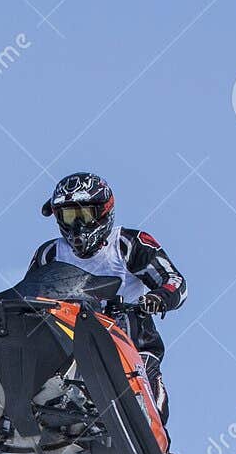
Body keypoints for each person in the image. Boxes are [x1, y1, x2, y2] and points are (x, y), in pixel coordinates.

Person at [30, 172, 186, 422]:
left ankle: (156, 446)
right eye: (69, 216)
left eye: (84, 215)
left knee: (146, 379)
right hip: (67, 347)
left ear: (104, 211)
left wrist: (158, 298)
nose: (77, 226)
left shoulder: (129, 243)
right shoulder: (50, 253)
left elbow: (174, 281)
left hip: (130, 346)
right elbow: (27, 296)